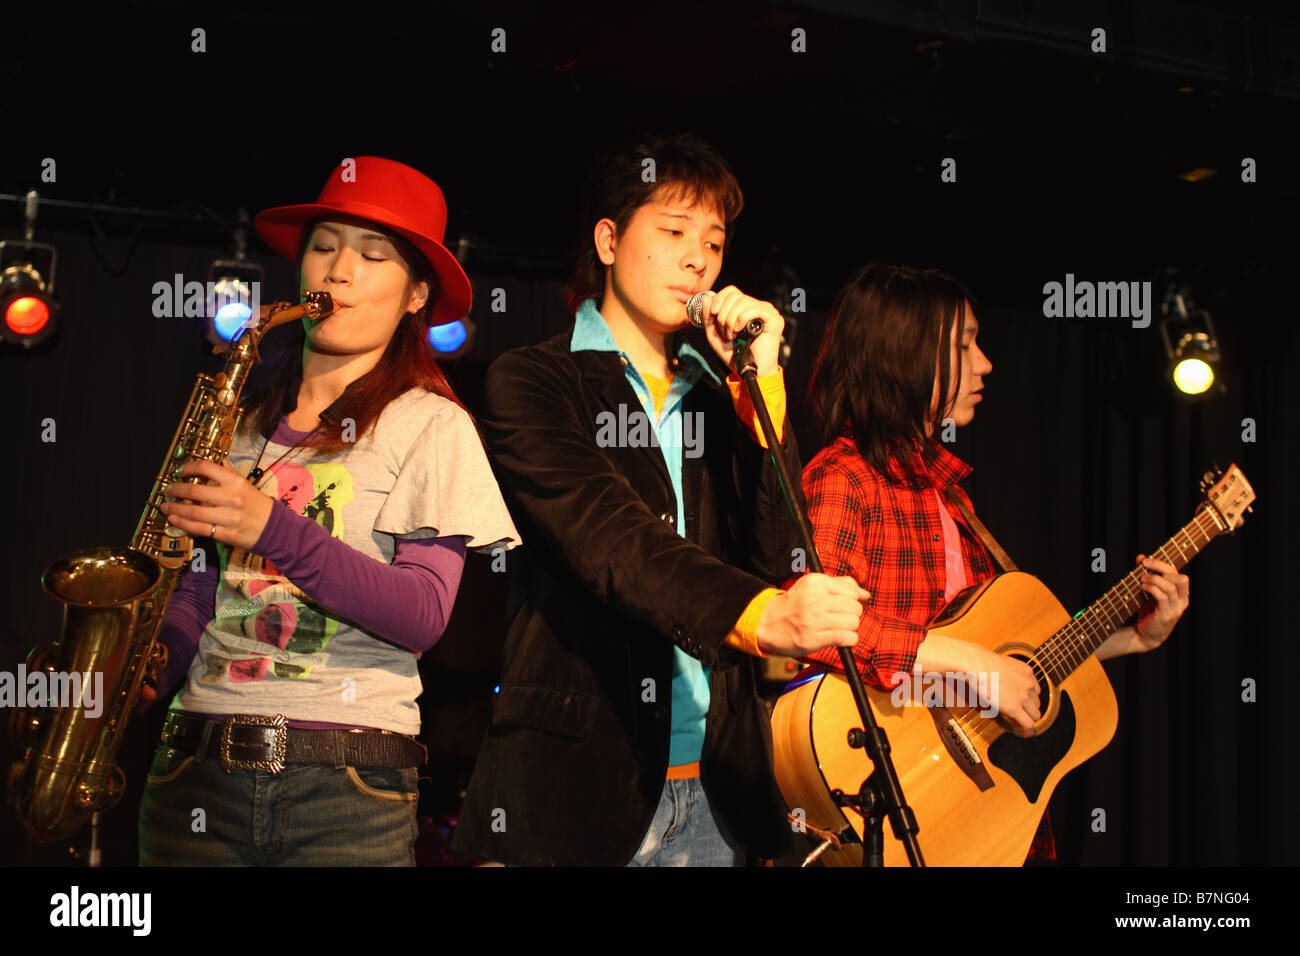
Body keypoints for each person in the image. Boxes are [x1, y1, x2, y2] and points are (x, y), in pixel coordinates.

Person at [452, 133, 867, 866]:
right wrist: (761, 615)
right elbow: (609, 541)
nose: (698, 259)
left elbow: (779, 554)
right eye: (673, 232)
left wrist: (760, 387)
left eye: (713, 241)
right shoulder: (534, 381)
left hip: (718, 790)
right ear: (609, 240)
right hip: (575, 785)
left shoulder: (722, 394)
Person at [137, 156, 520, 866]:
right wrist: (145, 665)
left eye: (372, 255)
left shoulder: (433, 426)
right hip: (192, 768)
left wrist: (272, 529)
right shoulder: (240, 418)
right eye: (323, 247)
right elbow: (199, 588)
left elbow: (422, 615)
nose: (337, 271)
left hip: (343, 783)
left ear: (416, 296)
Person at [798, 262, 1191, 861]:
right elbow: (812, 629)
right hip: (907, 800)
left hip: (989, 819)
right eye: (962, 345)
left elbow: (1019, 661)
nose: (985, 363)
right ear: (902, 354)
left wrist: (1133, 639)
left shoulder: (948, 492)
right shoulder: (843, 479)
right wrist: (974, 665)